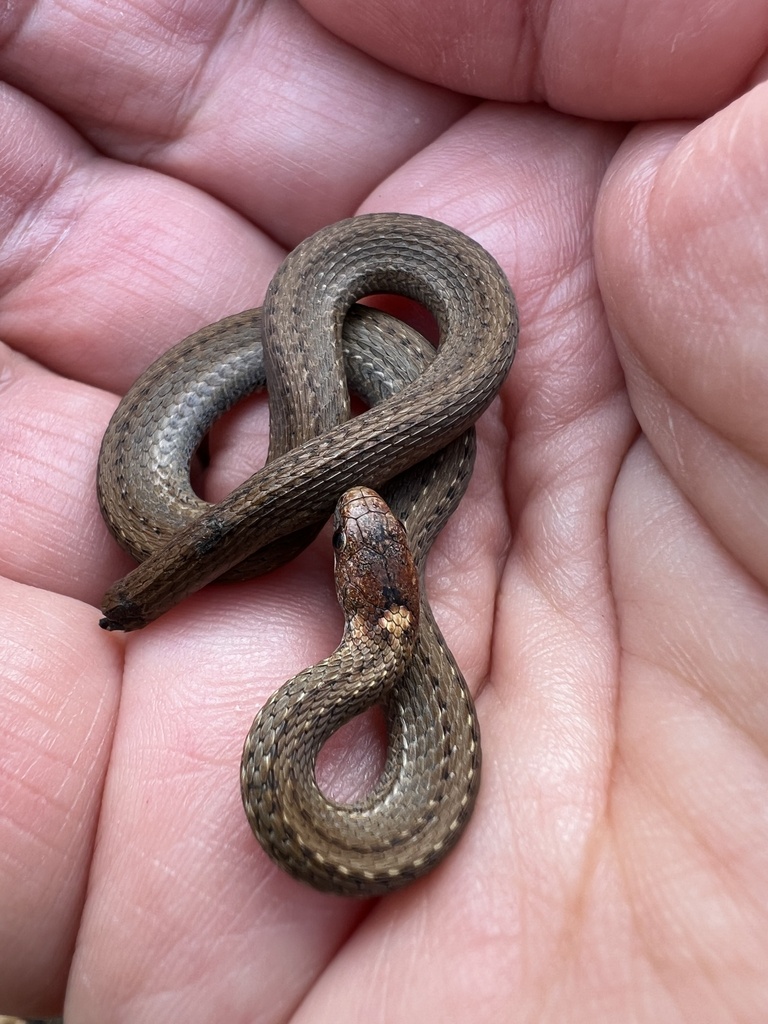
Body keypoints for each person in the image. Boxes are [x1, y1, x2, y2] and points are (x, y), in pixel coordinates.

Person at [1, 1, 766, 1020]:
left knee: (310, 474)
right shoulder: (374, 584)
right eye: (364, 529)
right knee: (303, 455)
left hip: (354, 441)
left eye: (361, 529)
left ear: (364, 587)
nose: (359, 514)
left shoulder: (368, 614)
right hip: (338, 397)